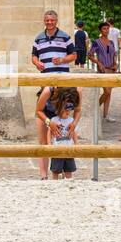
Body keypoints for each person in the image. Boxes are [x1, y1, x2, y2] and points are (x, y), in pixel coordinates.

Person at [30, 9, 76, 179]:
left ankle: (65, 172)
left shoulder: (65, 37)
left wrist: (62, 60)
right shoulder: (38, 38)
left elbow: (74, 55)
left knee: (62, 134)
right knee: (42, 138)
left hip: (62, 88)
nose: (49, 22)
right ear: (44, 21)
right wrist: (37, 64)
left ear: (56, 21)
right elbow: (33, 57)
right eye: (47, 20)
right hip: (46, 85)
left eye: (52, 20)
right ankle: (43, 175)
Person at [37, 86, 81, 179]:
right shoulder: (48, 91)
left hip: (63, 114)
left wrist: (74, 124)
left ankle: (66, 174)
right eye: (67, 106)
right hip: (45, 111)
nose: (69, 109)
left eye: (70, 107)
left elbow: (78, 110)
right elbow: (39, 111)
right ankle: (44, 176)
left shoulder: (78, 90)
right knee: (43, 142)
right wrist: (49, 123)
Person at [89, 21, 117, 119]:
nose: (106, 30)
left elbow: (114, 54)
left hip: (111, 70)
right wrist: (99, 63)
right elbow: (90, 55)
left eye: (108, 28)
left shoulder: (111, 42)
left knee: (109, 94)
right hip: (103, 70)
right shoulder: (96, 42)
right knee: (107, 92)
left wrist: (115, 64)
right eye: (104, 28)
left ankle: (105, 115)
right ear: (100, 30)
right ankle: (94, 109)